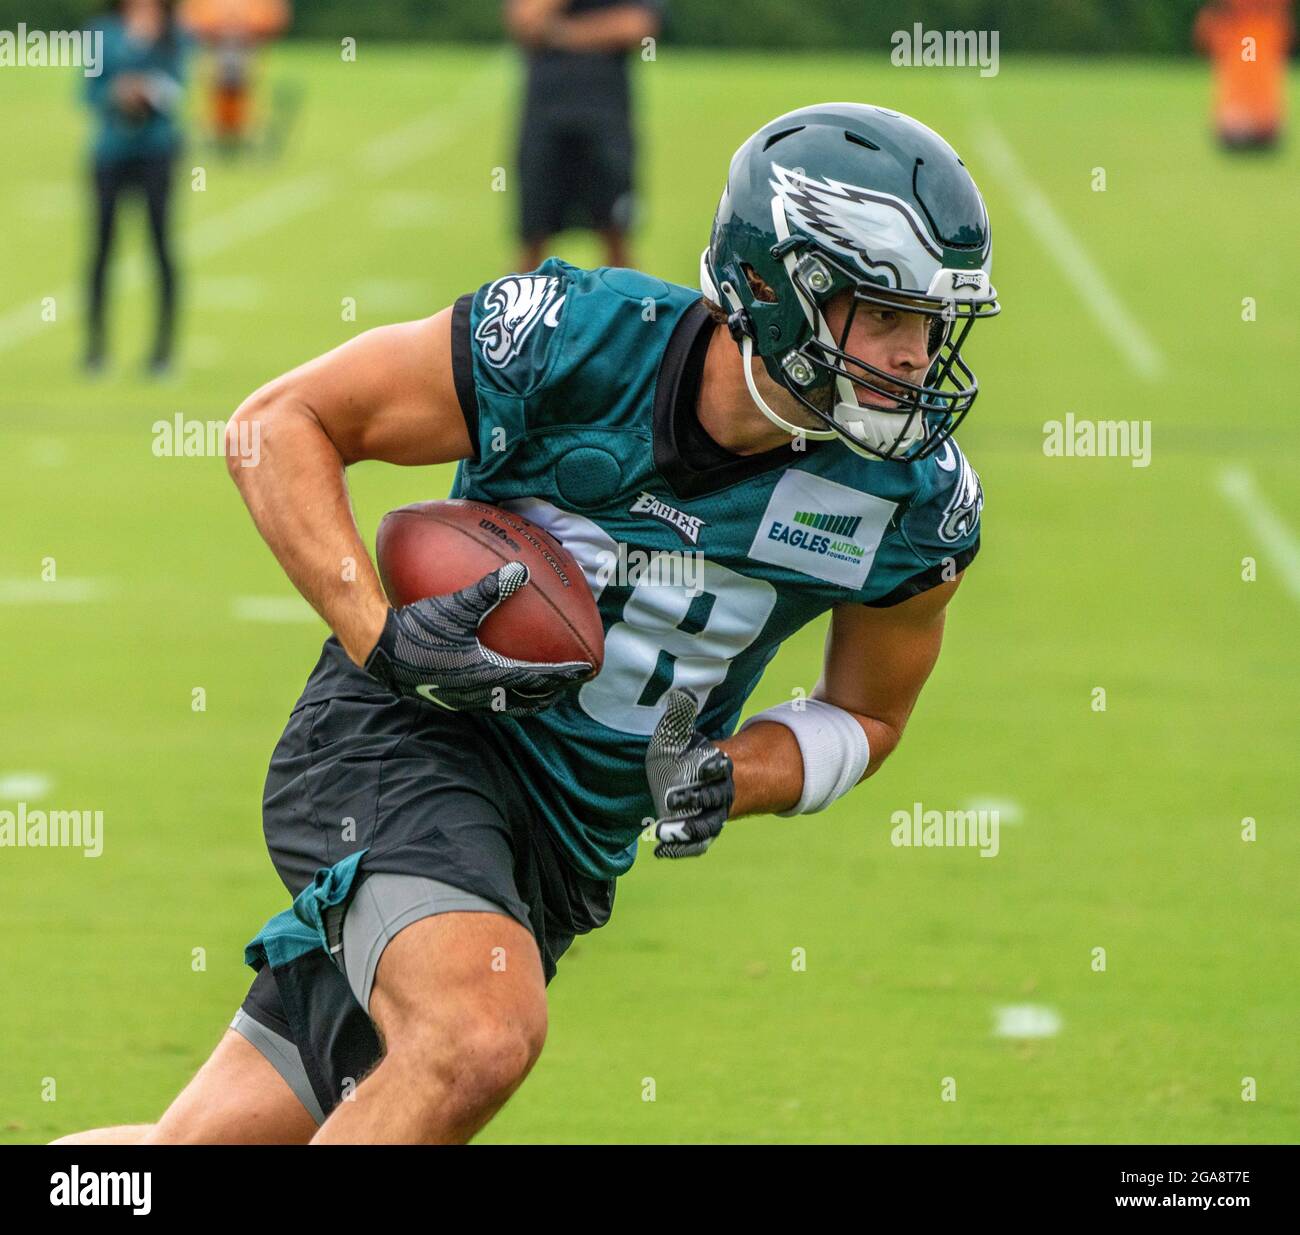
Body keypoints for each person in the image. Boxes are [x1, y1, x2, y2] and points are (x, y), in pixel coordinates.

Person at [53, 103, 1000, 1145]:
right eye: (886, 315)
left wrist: (739, 772)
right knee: (477, 1035)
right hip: (413, 739)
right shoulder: (576, 342)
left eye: (932, 324)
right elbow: (279, 424)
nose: (916, 359)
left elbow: (868, 714)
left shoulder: (911, 499)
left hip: (558, 849)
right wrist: (383, 638)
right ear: (776, 290)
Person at [505, 0, 662, 270]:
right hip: (544, 119)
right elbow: (523, 21)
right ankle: (518, 312)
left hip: (607, 118)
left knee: (617, 235)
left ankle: (625, 312)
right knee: (532, 237)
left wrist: (563, 33)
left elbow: (639, 28)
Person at [83, 0, 190, 376]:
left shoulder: (173, 33)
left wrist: (150, 92)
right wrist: (117, 93)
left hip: (156, 153)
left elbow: (179, 88)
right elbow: (86, 92)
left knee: (160, 246)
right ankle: (96, 349)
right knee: (101, 247)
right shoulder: (102, 33)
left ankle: (163, 352)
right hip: (111, 152)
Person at [1193, 0, 1294, 150]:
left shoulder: (1267, 27)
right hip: (1253, 125)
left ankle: (1249, 124)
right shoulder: (1268, 26)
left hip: (1255, 124)